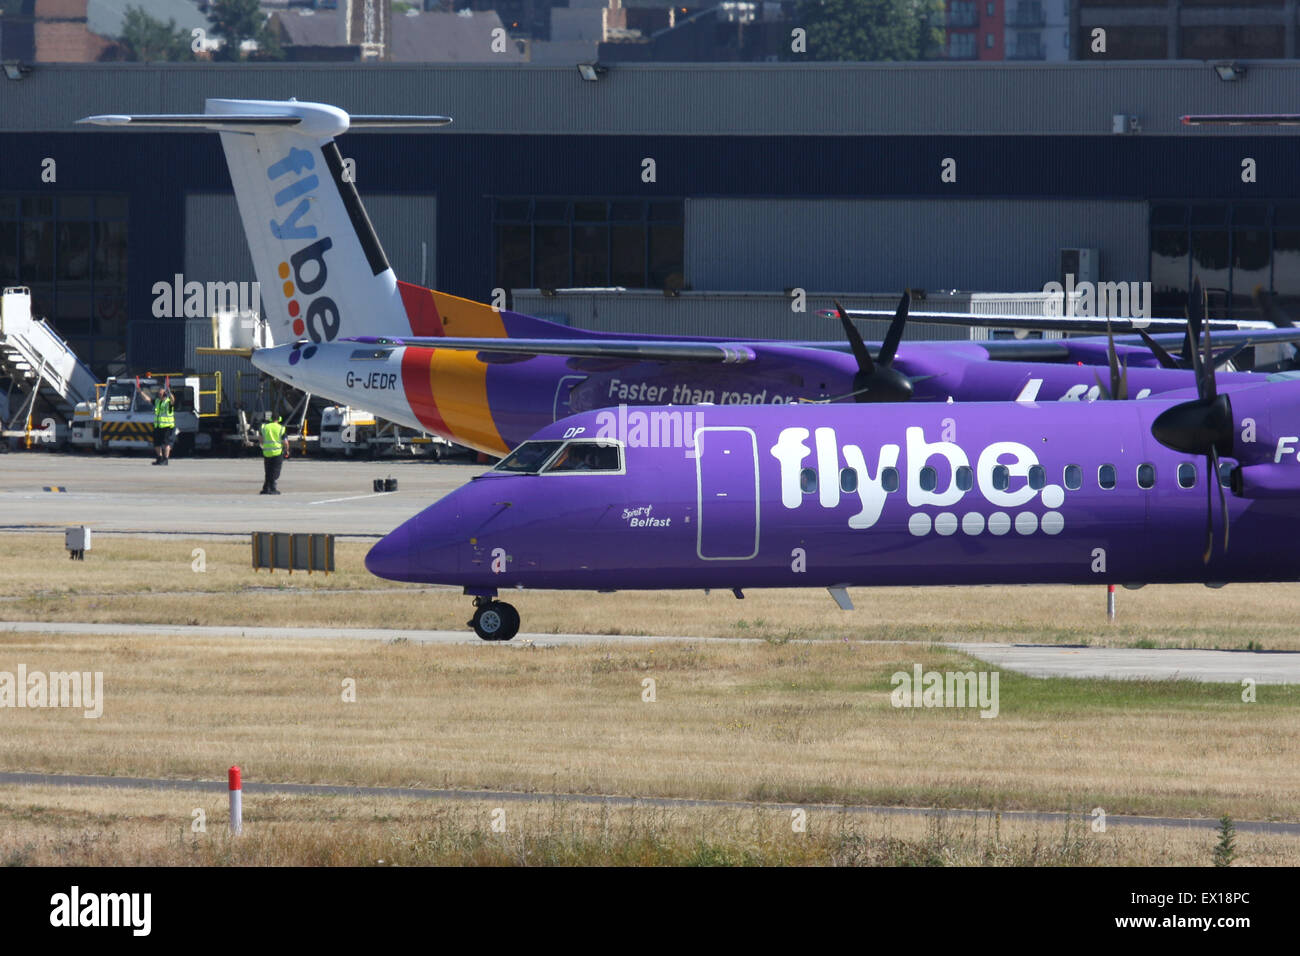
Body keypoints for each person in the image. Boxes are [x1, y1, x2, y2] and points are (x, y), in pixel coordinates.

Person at [260, 414, 289, 494]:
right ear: (279, 419)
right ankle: (272, 488)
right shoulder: (281, 428)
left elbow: (261, 439)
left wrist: (263, 446)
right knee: (275, 471)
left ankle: (266, 488)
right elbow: (285, 442)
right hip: (277, 452)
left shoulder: (264, 427)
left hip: (266, 452)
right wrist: (287, 450)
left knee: (268, 471)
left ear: (270, 419)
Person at [151, 386, 176, 466]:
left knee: (166, 444)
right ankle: (159, 458)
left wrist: (170, 393)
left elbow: (173, 400)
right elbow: (148, 399)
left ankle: (165, 460)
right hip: (158, 426)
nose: (158, 394)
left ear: (164, 394)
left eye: (160, 393)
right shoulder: (158, 401)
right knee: (156, 443)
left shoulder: (168, 402)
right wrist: (140, 392)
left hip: (167, 426)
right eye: (159, 393)